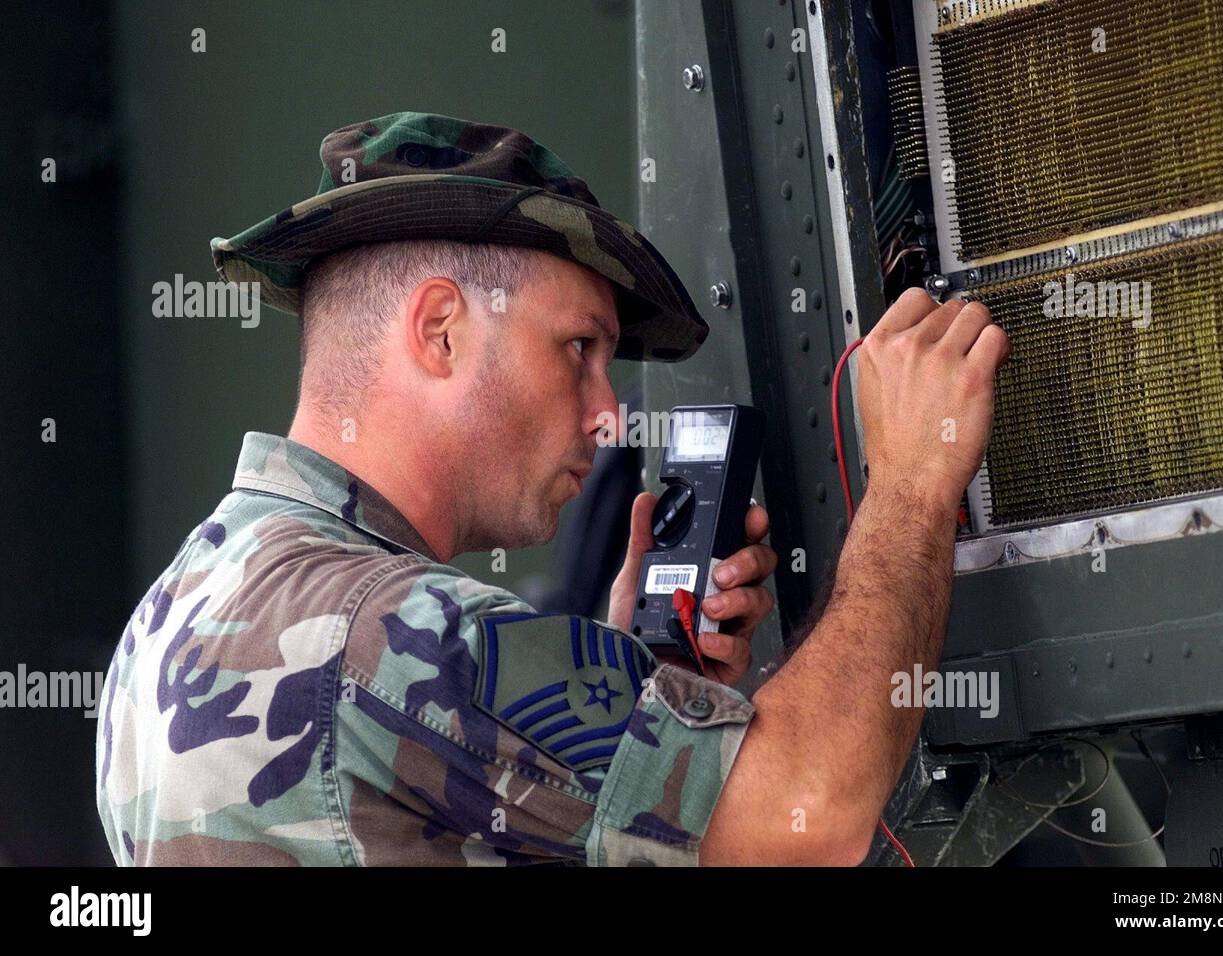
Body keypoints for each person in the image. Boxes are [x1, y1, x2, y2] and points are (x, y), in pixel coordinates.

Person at [95, 112, 1007, 867]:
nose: (610, 417)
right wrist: (912, 487)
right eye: (579, 350)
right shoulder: (400, 633)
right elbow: (813, 809)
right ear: (443, 330)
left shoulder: (169, 615)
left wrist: (632, 704)